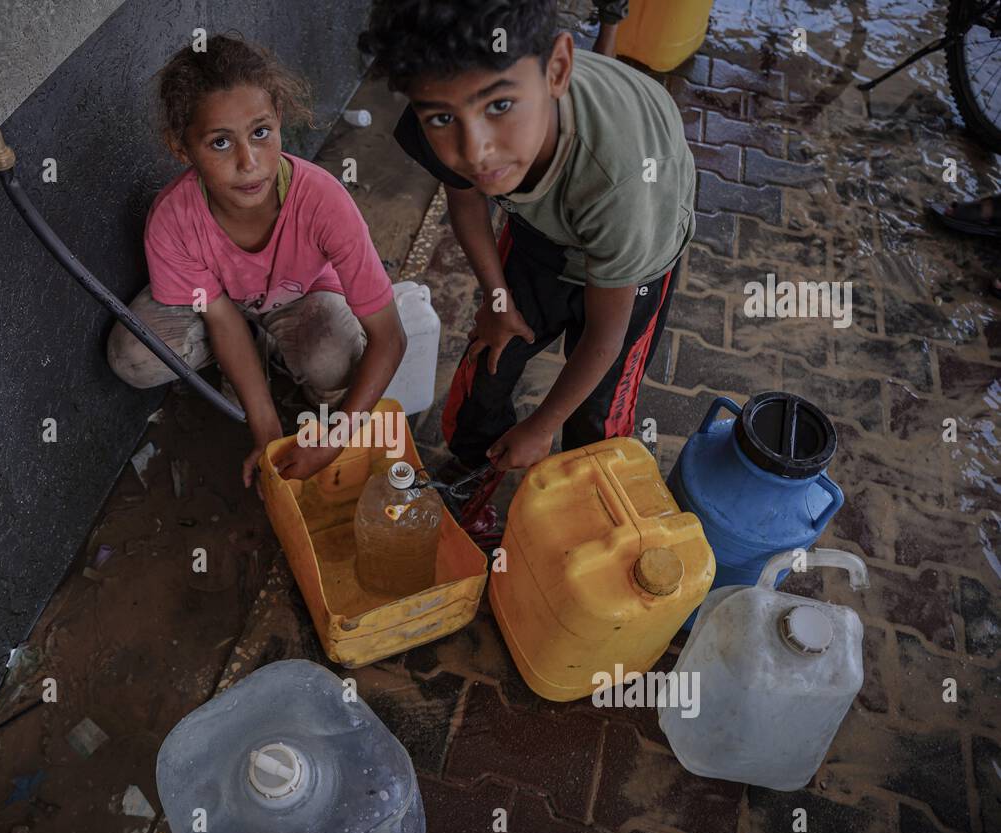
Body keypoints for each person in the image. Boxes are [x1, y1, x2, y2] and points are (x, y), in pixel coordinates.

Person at [358, 0, 695, 472]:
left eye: (499, 106)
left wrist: (540, 428)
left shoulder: (621, 181)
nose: (475, 152)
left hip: (635, 260)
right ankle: (471, 477)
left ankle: (585, 490)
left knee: (598, 413)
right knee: (490, 358)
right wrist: (498, 301)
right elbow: (466, 199)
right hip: (541, 233)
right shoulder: (444, 110)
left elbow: (606, 334)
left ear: (557, 69)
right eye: (441, 118)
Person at [107, 34, 406, 488]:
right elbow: (221, 315)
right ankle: (253, 352)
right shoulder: (173, 218)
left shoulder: (324, 201)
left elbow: (391, 337)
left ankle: (273, 349)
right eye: (220, 143)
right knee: (132, 357)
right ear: (180, 148)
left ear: (280, 120)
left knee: (335, 361)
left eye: (260, 133)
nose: (249, 162)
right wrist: (266, 432)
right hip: (220, 306)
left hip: (299, 296)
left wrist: (336, 436)